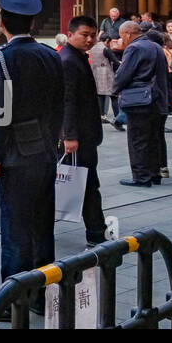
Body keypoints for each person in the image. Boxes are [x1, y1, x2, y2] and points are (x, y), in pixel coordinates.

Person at [0, 0, 65, 316]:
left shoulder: (2, 58)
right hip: (45, 153)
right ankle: (41, 297)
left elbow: (0, 113)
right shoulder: (51, 55)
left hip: (17, 155)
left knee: (15, 228)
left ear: (2, 23)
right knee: (42, 226)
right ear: (32, 22)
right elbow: (60, 105)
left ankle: (12, 302)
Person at [59, 15, 107, 248]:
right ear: (70, 34)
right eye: (84, 34)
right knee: (87, 185)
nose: (89, 39)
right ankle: (96, 233)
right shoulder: (68, 60)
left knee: (87, 184)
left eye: (92, 35)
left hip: (85, 135)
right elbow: (66, 100)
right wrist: (69, 136)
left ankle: (97, 231)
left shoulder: (76, 57)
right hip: (77, 138)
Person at [113, 21, 169, 186]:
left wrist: (115, 88)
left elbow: (124, 74)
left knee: (137, 139)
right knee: (153, 138)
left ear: (128, 33)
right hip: (157, 99)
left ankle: (141, 177)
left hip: (139, 100)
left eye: (122, 36)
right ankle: (154, 173)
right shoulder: (156, 47)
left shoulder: (134, 48)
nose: (121, 39)